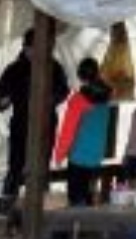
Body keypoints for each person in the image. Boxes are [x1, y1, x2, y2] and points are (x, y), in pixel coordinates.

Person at [0, 28, 70, 200]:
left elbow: (64, 91)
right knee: (16, 167)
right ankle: (10, 208)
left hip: (45, 126)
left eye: (40, 48)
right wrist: (1, 101)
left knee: (41, 170)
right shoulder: (14, 69)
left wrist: (49, 99)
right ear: (26, 48)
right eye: (32, 48)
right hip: (21, 125)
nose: (36, 53)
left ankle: (40, 209)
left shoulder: (54, 67)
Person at [53, 58, 113, 207]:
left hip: (78, 157)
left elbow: (68, 130)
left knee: (76, 198)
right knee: (88, 196)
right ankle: (87, 227)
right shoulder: (107, 98)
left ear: (80, 76)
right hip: (96, 157)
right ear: (97, 73)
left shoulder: (78, 100)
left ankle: (76, 228)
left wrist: (59, 155)